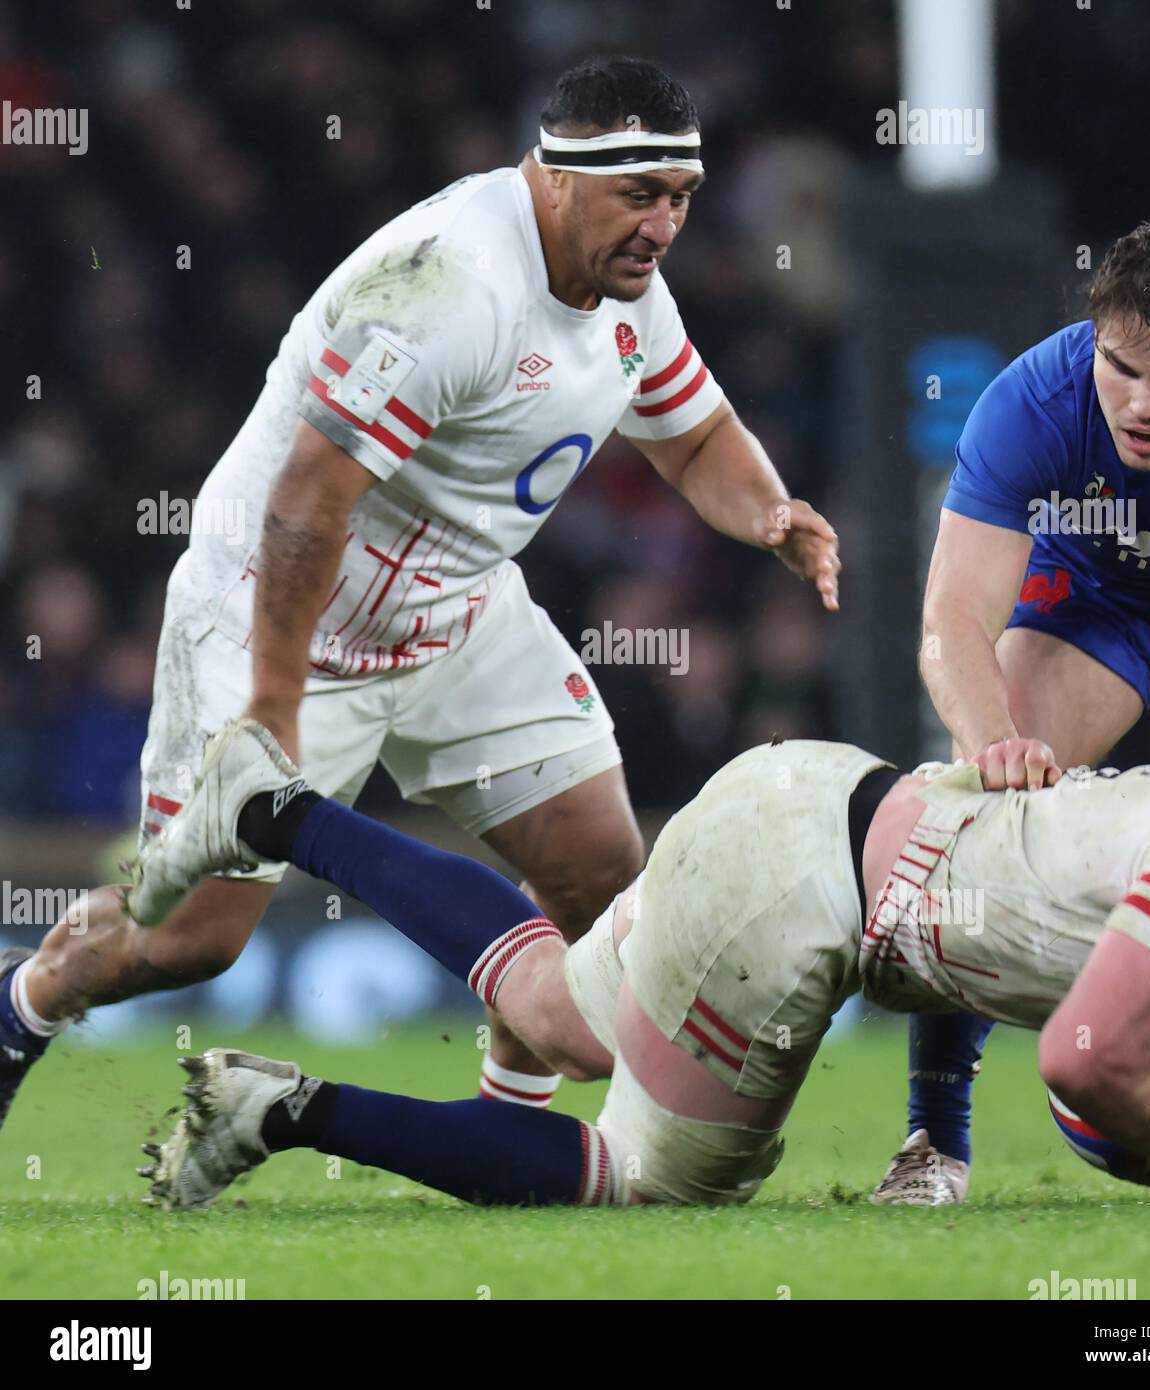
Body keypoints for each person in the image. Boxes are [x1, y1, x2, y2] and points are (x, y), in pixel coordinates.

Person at [0, 55, 840, 1131]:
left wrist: (769, 511)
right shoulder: (447, 288)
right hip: (285, 613)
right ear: (554, 175)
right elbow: (307, 502)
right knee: (187, 940)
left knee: (600, 878)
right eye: (640, 194)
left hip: (458, 611)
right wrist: (270, 702)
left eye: (680, 197)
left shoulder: (629, 292)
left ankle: (508, 1124)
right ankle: (23, 1001)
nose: (664, 224)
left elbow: (695, 433)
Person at [131, 718, 1150, 1210]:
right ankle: (284, 1114)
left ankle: (274, 808)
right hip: (795, 897)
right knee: (647, 1183)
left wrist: (937, 1138)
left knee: (556, 1016)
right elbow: (1082, 1053)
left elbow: (997, 940)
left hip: (808, 794)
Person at [876, 223, 1150, 1205]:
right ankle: (934, 1141)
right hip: (1091, 604)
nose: (1140, 405)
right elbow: (949, 620)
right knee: (968, 816)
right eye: (1121, 369)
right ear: (1091, 339)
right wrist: (993, 741)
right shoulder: (1029, 403)